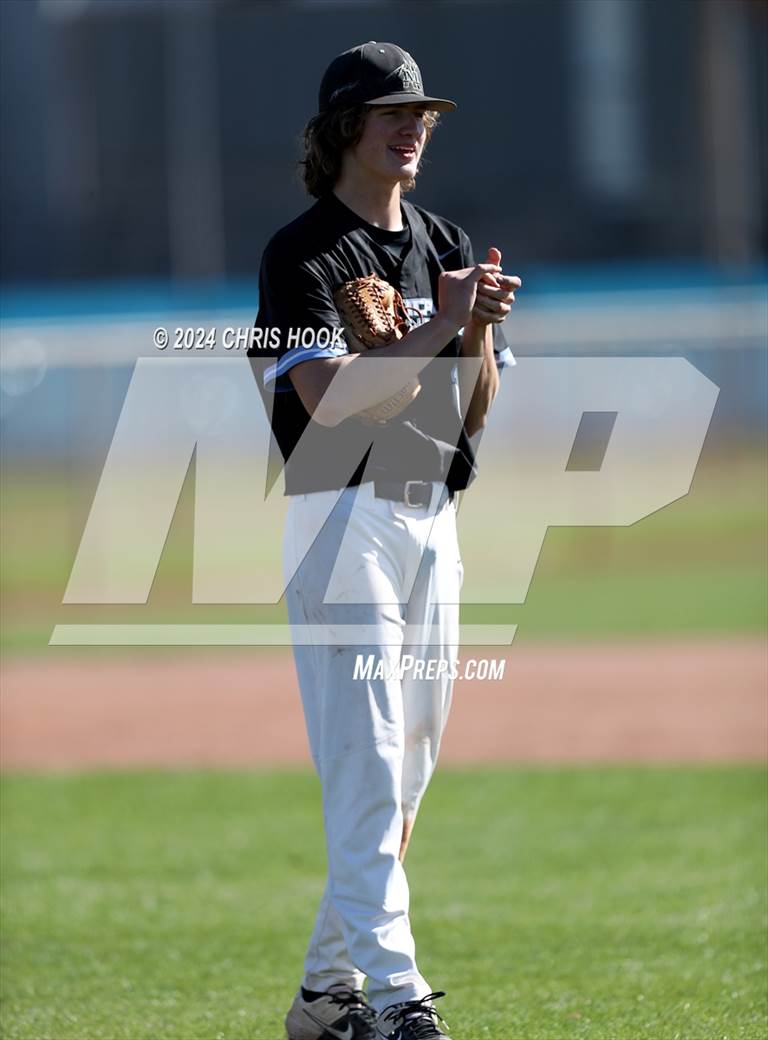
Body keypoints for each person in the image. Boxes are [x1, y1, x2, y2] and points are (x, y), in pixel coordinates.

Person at [249, 41, 519, 1040]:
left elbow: (472, 409)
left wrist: (475, 330)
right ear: (340, 133)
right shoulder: (302, 253)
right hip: (341, 519)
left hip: (429, 512)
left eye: (421, 113)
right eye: (388, 112)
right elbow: (327, 404)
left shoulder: (443, 240)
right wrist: (436, 324)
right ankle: (404, 999)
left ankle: (326, 995)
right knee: (365, 763)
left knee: (405, 779)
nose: (411, 126)